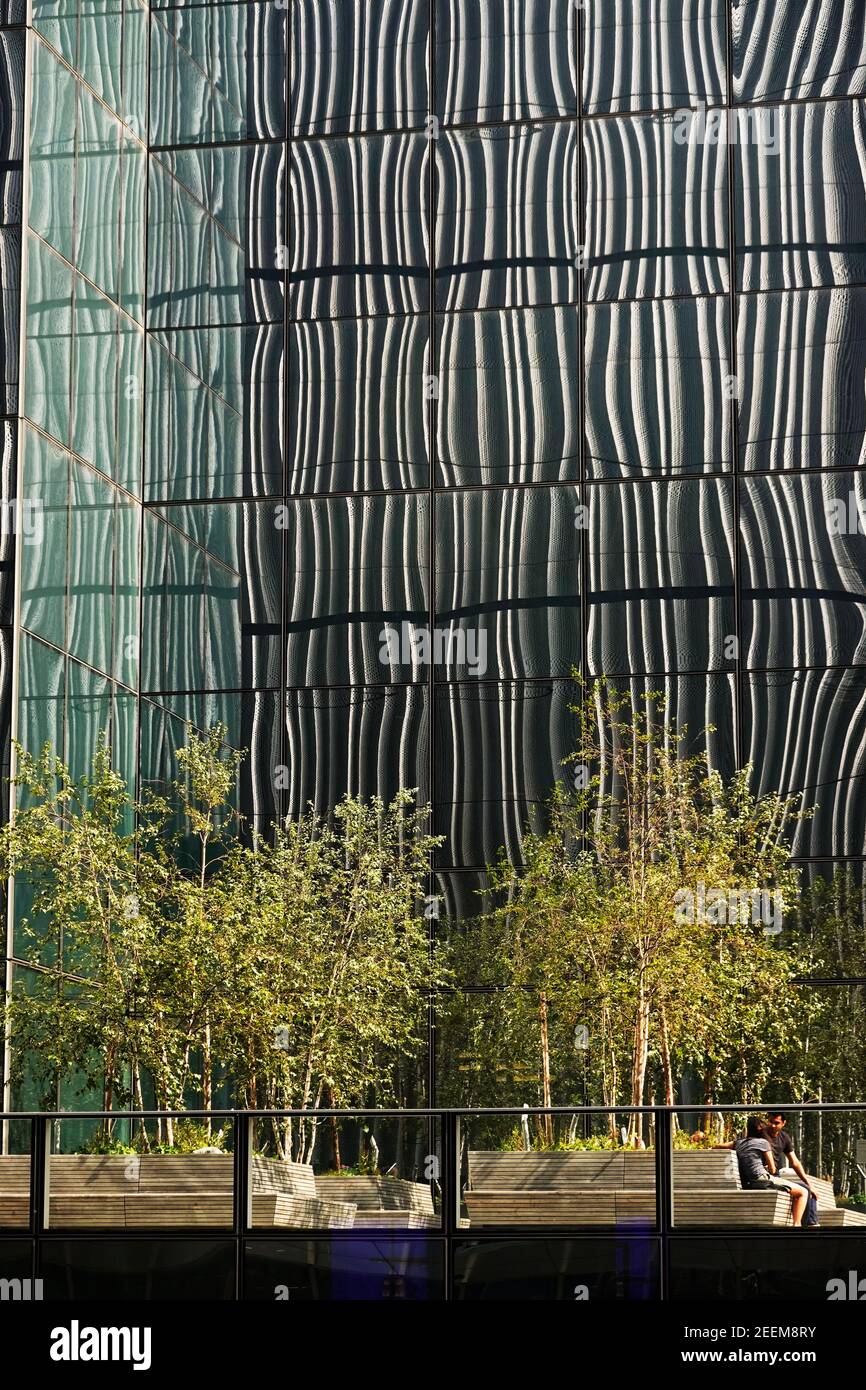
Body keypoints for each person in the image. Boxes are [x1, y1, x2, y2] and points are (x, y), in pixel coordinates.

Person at [714, 1117, 808, 1227]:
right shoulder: (763, 1143)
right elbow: (773, 1169)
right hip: (762, 1180)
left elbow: (719, 1146)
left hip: (747, 1183)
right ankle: (797, 1226)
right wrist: (765, 1167)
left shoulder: (738, 1143)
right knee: (803, 1192)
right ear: (760, 1129)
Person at [764, 1111, 820, 1229]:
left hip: (776, 1176)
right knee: (803, 1191)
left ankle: (812, 1225)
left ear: (784, 1123)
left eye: (776, 1123)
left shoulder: (784, 1137)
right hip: (765, 1176)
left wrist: (809, 1183)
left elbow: (795, 1162)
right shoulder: (762, 1134)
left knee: (809, 1189)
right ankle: (799, 1226)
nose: (773, 1125)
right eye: (770, 1122)